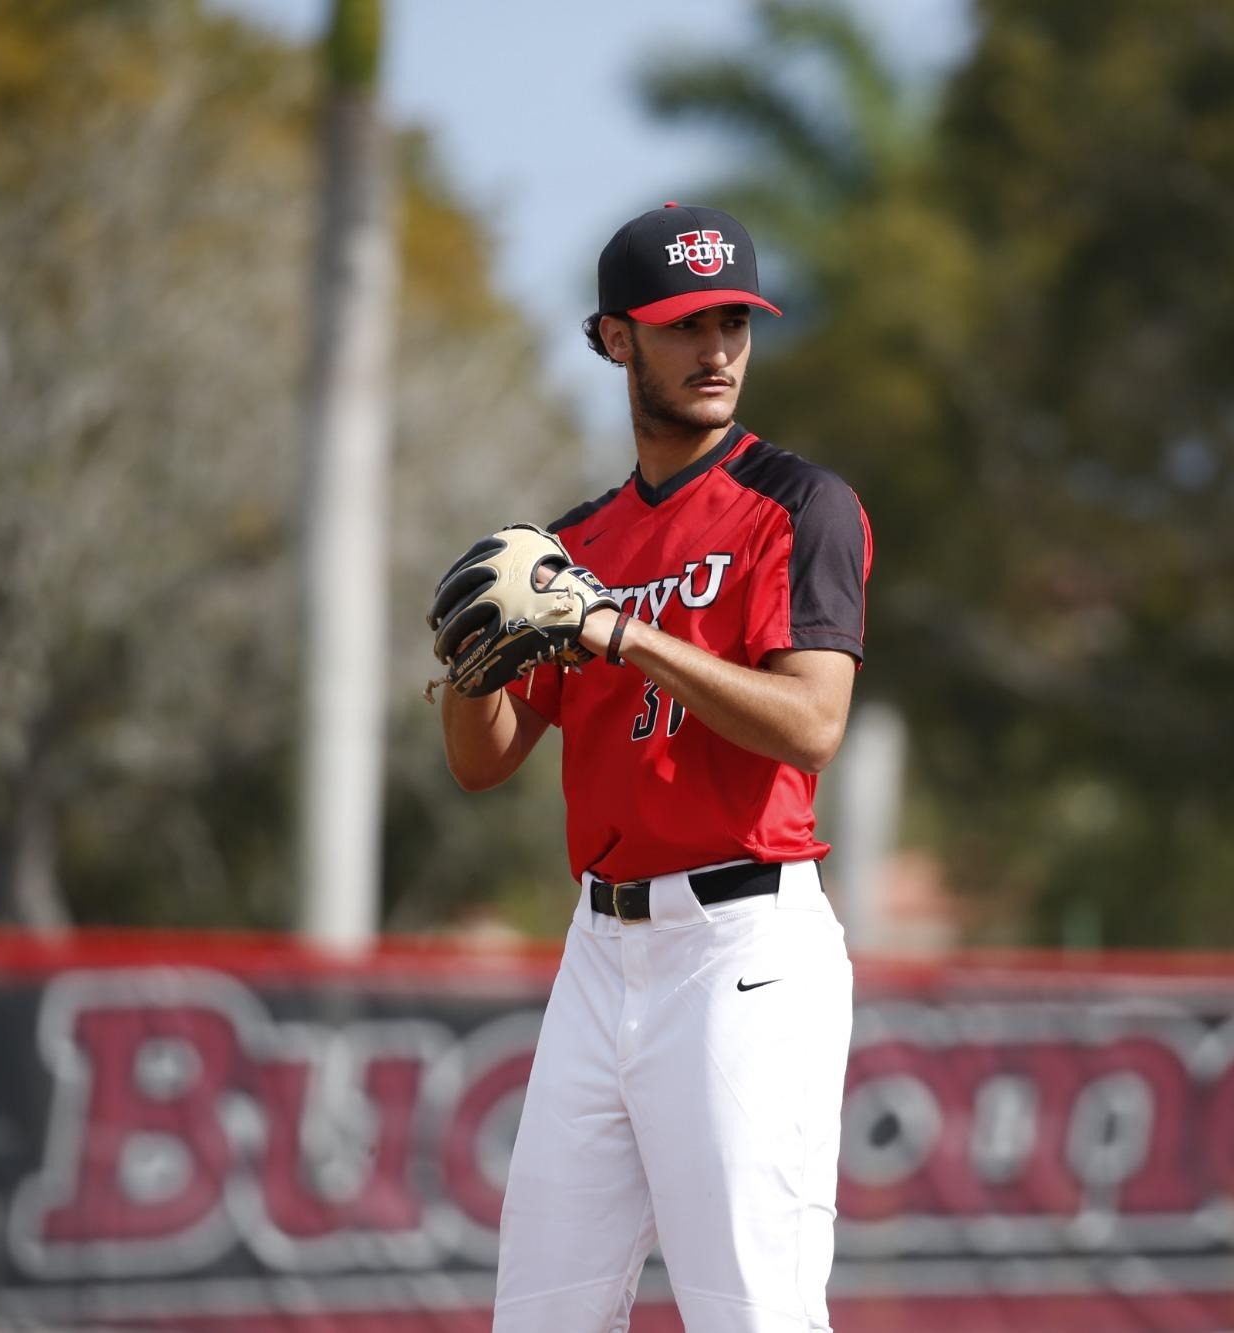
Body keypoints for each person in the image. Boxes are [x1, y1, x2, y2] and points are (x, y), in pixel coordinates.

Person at [433, 201, 872, 1333]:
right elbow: (482, 765)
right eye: (682, 324)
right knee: (538, 1318)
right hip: (599, 951)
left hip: (742, 952)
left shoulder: (799, 504)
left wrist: (619, 634)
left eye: (733, 319)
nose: (716, 348)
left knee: (752, 1317)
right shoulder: (573, 548)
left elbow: (811, 724)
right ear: (614, 338)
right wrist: (471, 659)